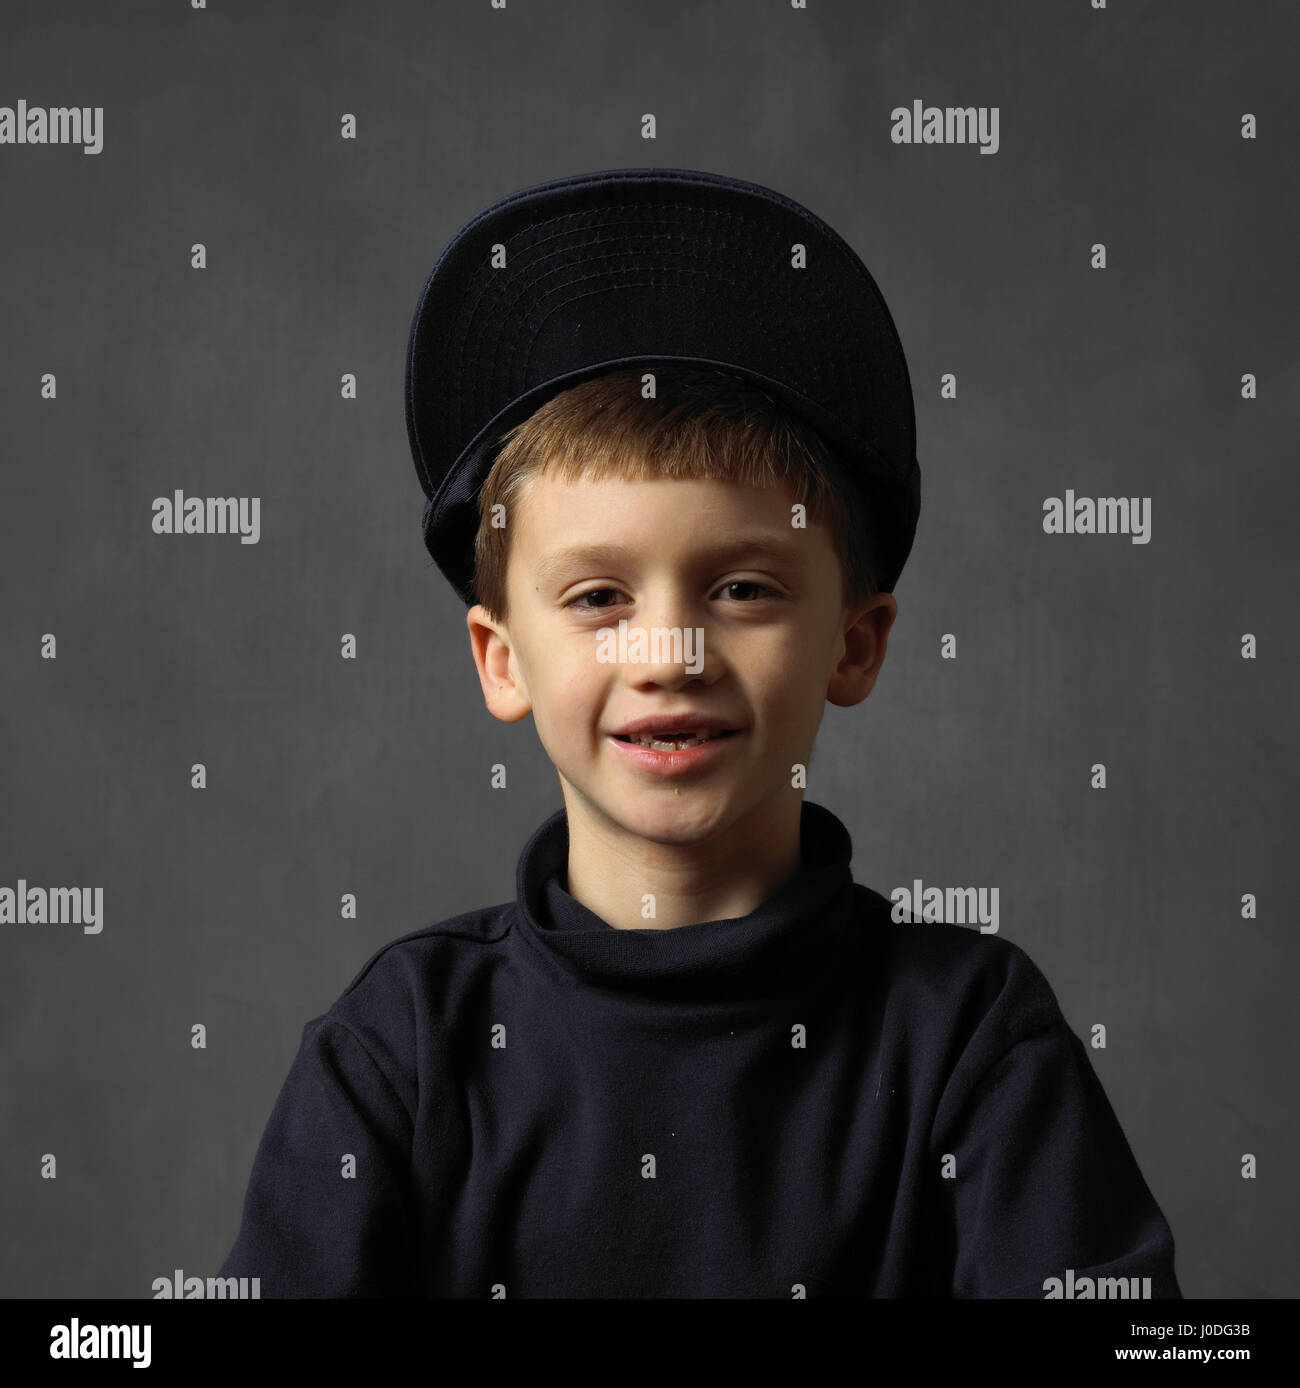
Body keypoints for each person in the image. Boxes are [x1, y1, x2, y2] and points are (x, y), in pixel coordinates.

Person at [218, 168, 1180, 1298]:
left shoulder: (971, 1037)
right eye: (596, 598)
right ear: (502, 657)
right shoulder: (401, 1049)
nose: (665, 652)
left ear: (855, 644)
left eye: (740, 587)